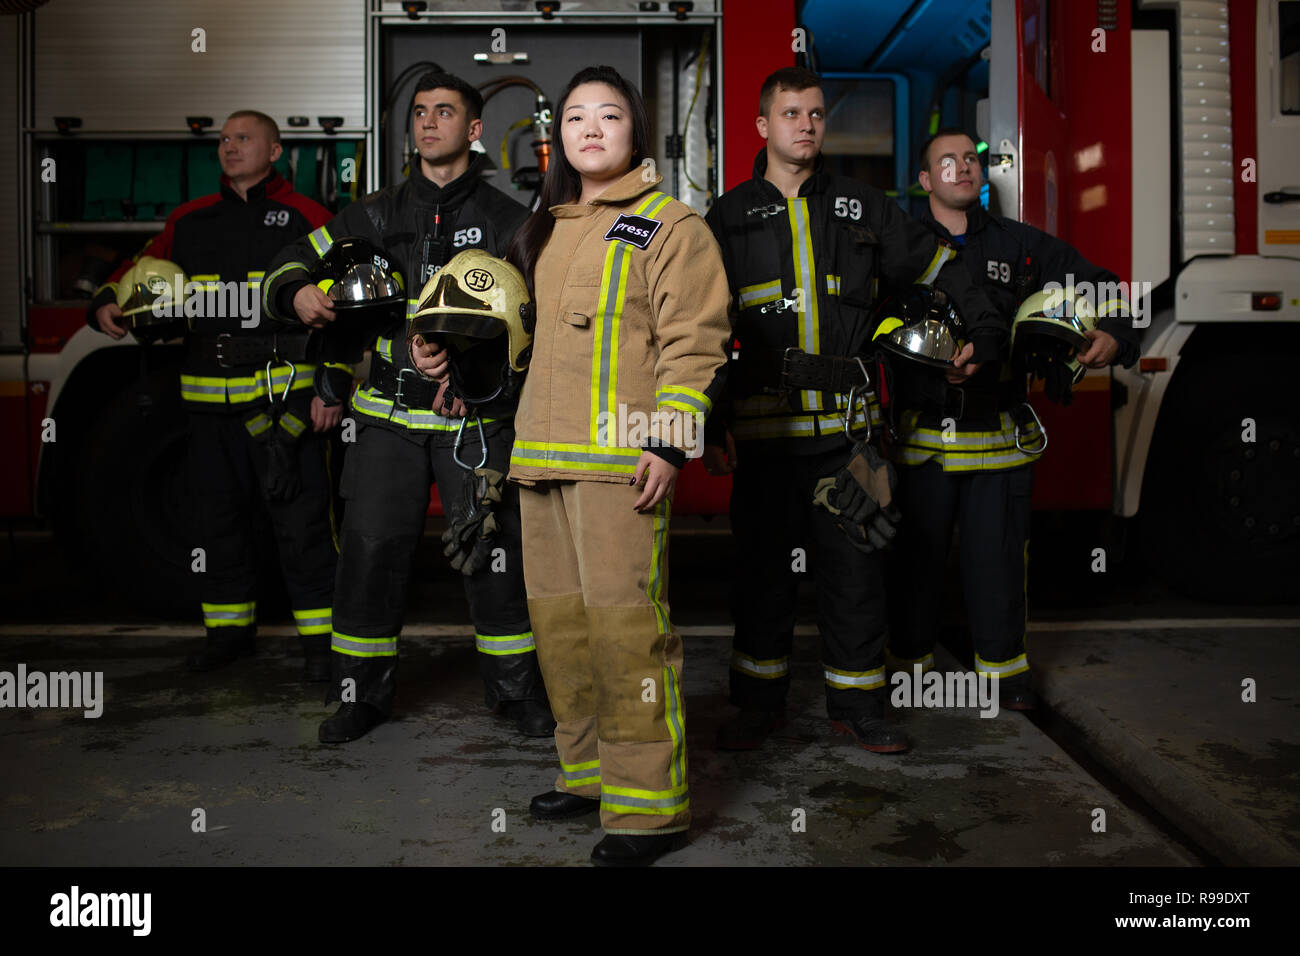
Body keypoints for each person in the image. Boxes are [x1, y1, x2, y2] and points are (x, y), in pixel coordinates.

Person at [703, 69, 1003, 753]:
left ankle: (859, 709)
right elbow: (703, 329)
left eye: (814, 113)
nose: (804, 124)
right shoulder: (726, 218)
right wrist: (714, 423)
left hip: (850, 441)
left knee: (858, 576)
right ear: (762, 126)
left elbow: (945, 271)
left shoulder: (865, 208)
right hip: (765, 440)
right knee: (760, 581)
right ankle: (758, 705)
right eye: (789, 113)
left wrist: (983, 333)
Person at [478, 64, 730, 866]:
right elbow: (516, 340)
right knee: (560, 632)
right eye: (578, 116)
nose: (591, 128)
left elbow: (695, 342)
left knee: (628, 636)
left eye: (609, 115)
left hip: (620, 464)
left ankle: (648, 809)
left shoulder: (671, 226)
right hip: (541, 463)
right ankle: (588, 774)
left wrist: (667, 440)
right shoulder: (544, 229)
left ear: (635, 133)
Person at [263, 71, 553, 744]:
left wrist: (481, 374)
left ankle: (514, 692)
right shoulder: (373, 213)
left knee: (491, 554)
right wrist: (299, 294)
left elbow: (532, 327)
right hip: (385, 423)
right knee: (369, 554)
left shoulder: (510, 221)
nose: (428, 123)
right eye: (420, 112)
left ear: (474, 130)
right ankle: (360, 697)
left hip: (471, 423)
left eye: (445, 112)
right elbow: (286, 264)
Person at [884, 128, 1140, 709]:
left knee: (997, 561)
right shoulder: (896, 245)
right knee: (912, 564)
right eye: (946, 161)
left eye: (971, 158)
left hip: (997, 439)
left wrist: (1115, 336)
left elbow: (1103, 285)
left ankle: (1003, 676)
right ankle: (907, 674)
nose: (963, 167)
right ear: (925, 180)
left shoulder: (1021, 247)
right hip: (918, 439)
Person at [88, 110, 339, 680]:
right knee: (216, 522)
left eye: (243, 138)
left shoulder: (309, 218)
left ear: (275, 151)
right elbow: (138, 268)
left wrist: (331, 387)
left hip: (283, 405)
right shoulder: (189, 219)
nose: (230, 147)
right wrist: (106, 296)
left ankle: (322, 648)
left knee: (301, 526)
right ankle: (228, 635)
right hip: (206, 405)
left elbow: (340, 306)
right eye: (224, 139)